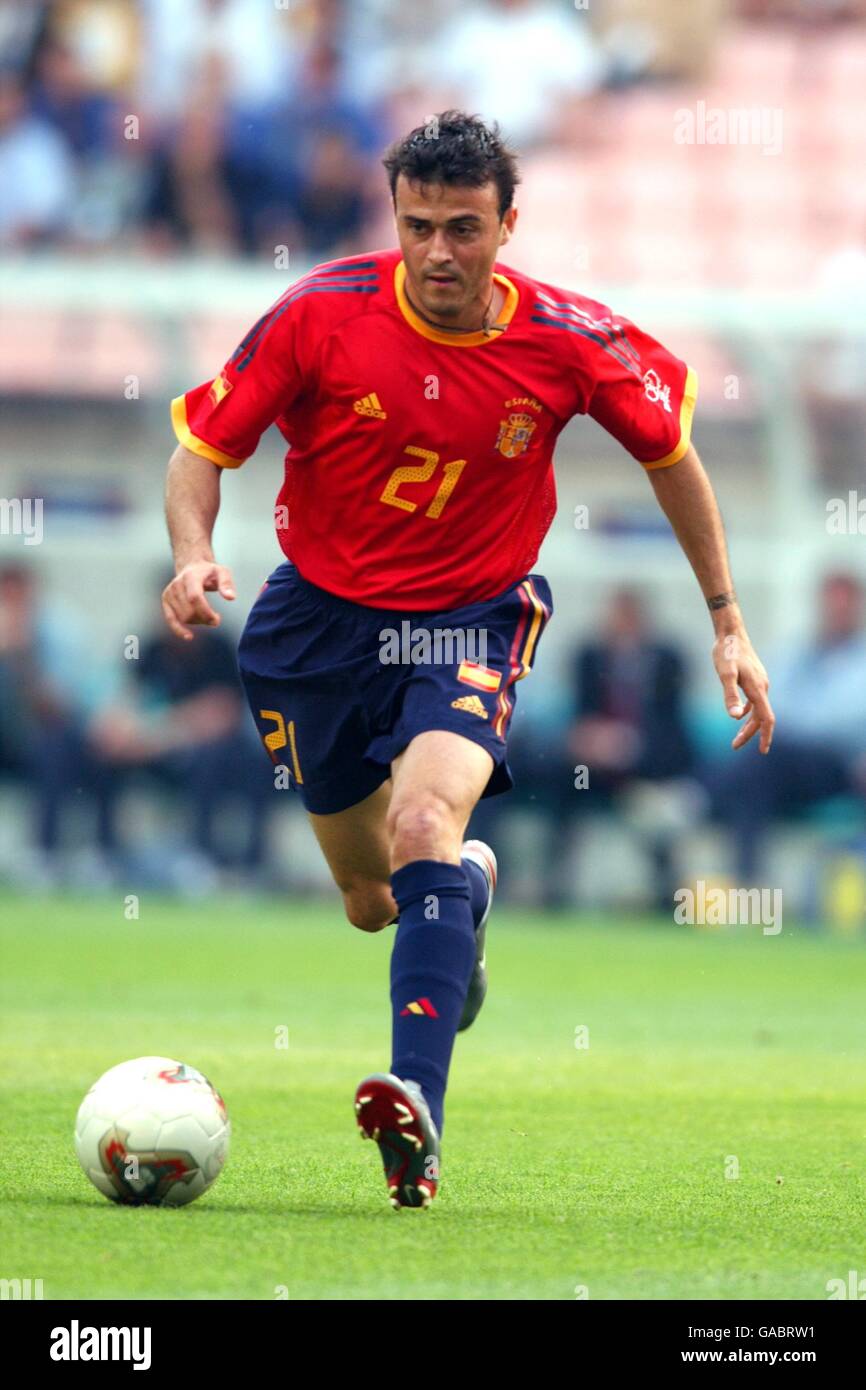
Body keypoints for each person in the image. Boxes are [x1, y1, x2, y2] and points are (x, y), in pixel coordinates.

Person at [161, 111, 774, 1210]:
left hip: (468, 619)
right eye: (416, 227)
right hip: (313, 626)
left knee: (421, 827)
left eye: (462, 228)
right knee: (368, 896)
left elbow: (669, 456)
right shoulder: (316, 315)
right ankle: (467, 896)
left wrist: (726, 618)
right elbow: (201, 449)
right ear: (391, 217)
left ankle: (416, 1102)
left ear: (506, 225)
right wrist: (195, 555)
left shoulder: (571, 337)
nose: (437, 253)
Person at [709, 572, 866, 881]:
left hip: (840, 767)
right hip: (784, 764)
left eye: (844, 606)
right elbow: (764, 702)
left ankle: (695, 798)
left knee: (760, 761)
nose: (836, 613)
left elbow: (836, 722)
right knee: (755, 777)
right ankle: (748, 883)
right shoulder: (795, 654)